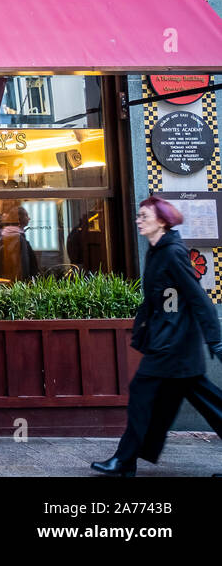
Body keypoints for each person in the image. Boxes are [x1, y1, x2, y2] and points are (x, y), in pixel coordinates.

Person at [93, 197, 222, 476]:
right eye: (138, 216)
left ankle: (123, 461)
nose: (138, 220)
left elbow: (198, 298)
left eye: (144, 216)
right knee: (211, 405)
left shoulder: (172, 252)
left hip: (174, 347)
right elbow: (162, 299)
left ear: (162, 221)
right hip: (171, 345)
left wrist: (215, 340)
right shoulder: (156, 250)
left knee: (142, 396)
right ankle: (124, 461)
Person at [0, 206, 39, 282]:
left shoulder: (5, 235)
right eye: (26, 215)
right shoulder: (18, 238)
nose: (29, 218)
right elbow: (24, 264)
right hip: (18, 283)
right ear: (19, 218)